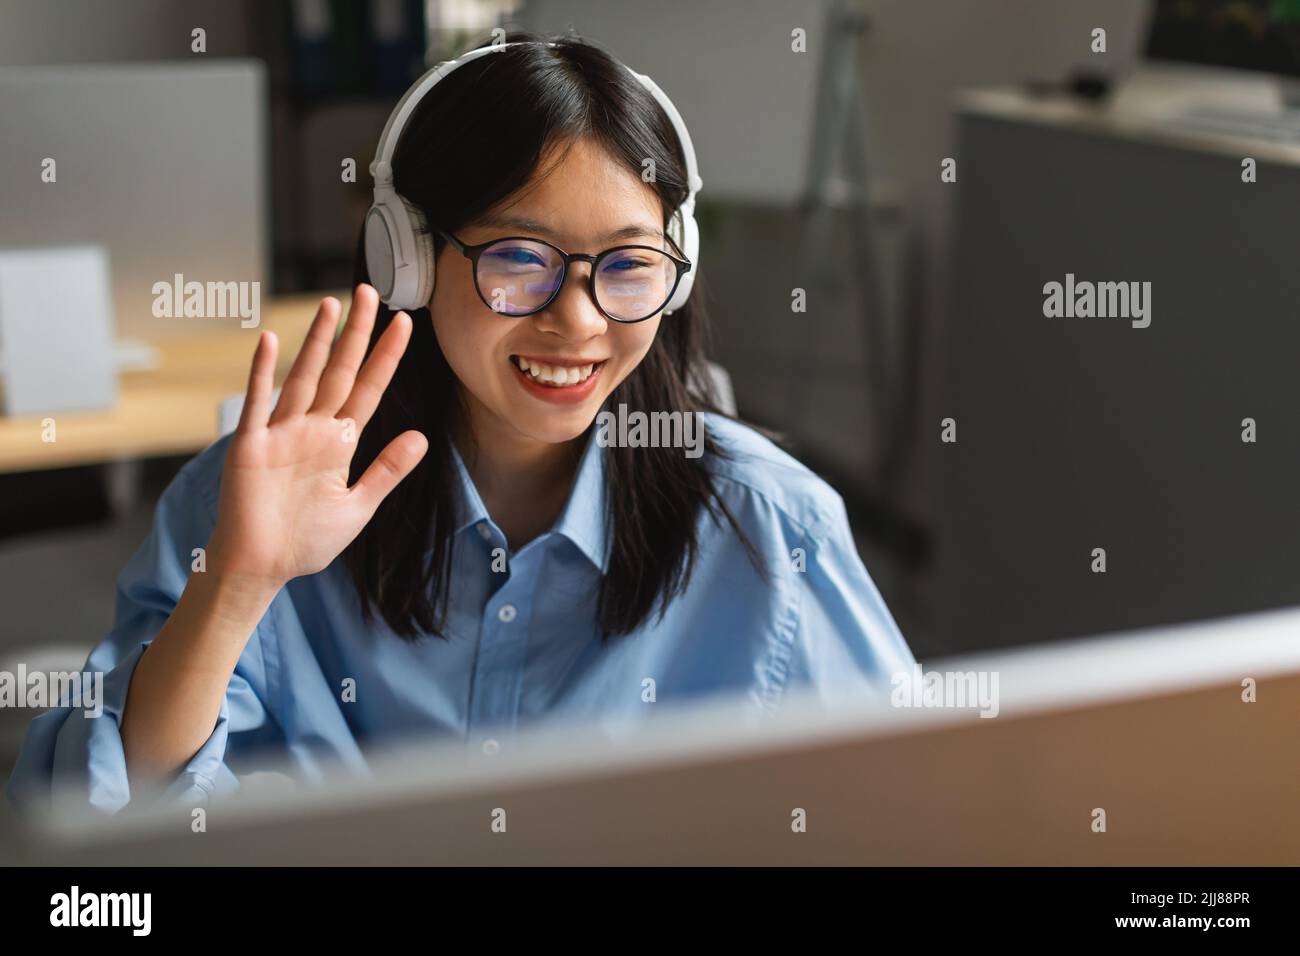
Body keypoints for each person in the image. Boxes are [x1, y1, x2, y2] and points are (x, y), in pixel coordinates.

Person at [7, 32, 914, 815]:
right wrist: (238, 584)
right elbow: (96, 824)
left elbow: (912, 808)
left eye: (630, 265)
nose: (580, 320)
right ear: (405, 258)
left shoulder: (771, 528)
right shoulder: (255, 494)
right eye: (519, 259)